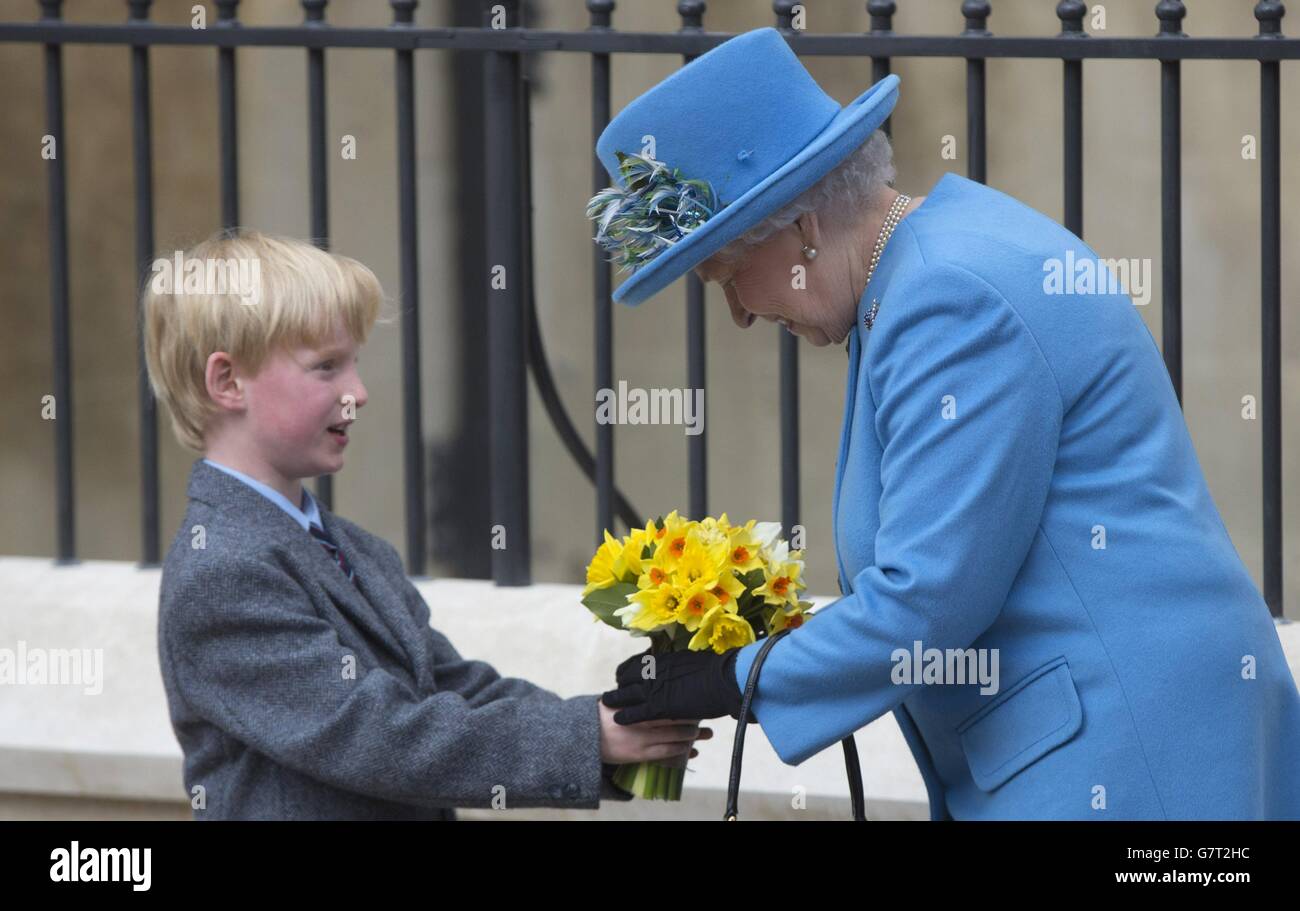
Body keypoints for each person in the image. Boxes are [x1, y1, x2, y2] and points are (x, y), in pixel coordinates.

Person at [592, 27, 1300, 820]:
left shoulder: (946, 297)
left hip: (1131, 752)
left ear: (802, 228)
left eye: (723, 274)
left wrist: (742, 677)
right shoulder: (923, 273)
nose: (738, 314)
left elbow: (927, 600)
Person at [145, 228, 707, 819]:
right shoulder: (223, 570)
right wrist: (585, 737)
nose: (357, 393)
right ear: (227, 382)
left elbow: (453, 689)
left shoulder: (354, 548)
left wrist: (618, 725)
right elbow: (378, 737)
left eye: (353, 364)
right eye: (326, 368)